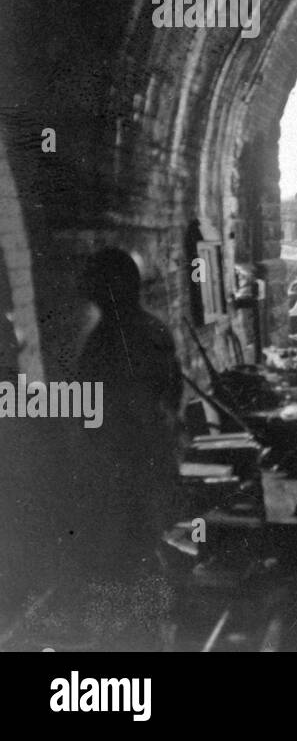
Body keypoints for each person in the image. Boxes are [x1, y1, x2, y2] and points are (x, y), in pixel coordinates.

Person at [71, 249, 183, 587]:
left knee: (130, 546)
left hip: (123, 459)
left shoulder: (102, 342)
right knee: (151, 536)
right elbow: (172, 392)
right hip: (151, 453)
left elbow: (87, 407)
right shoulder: (154, 329)